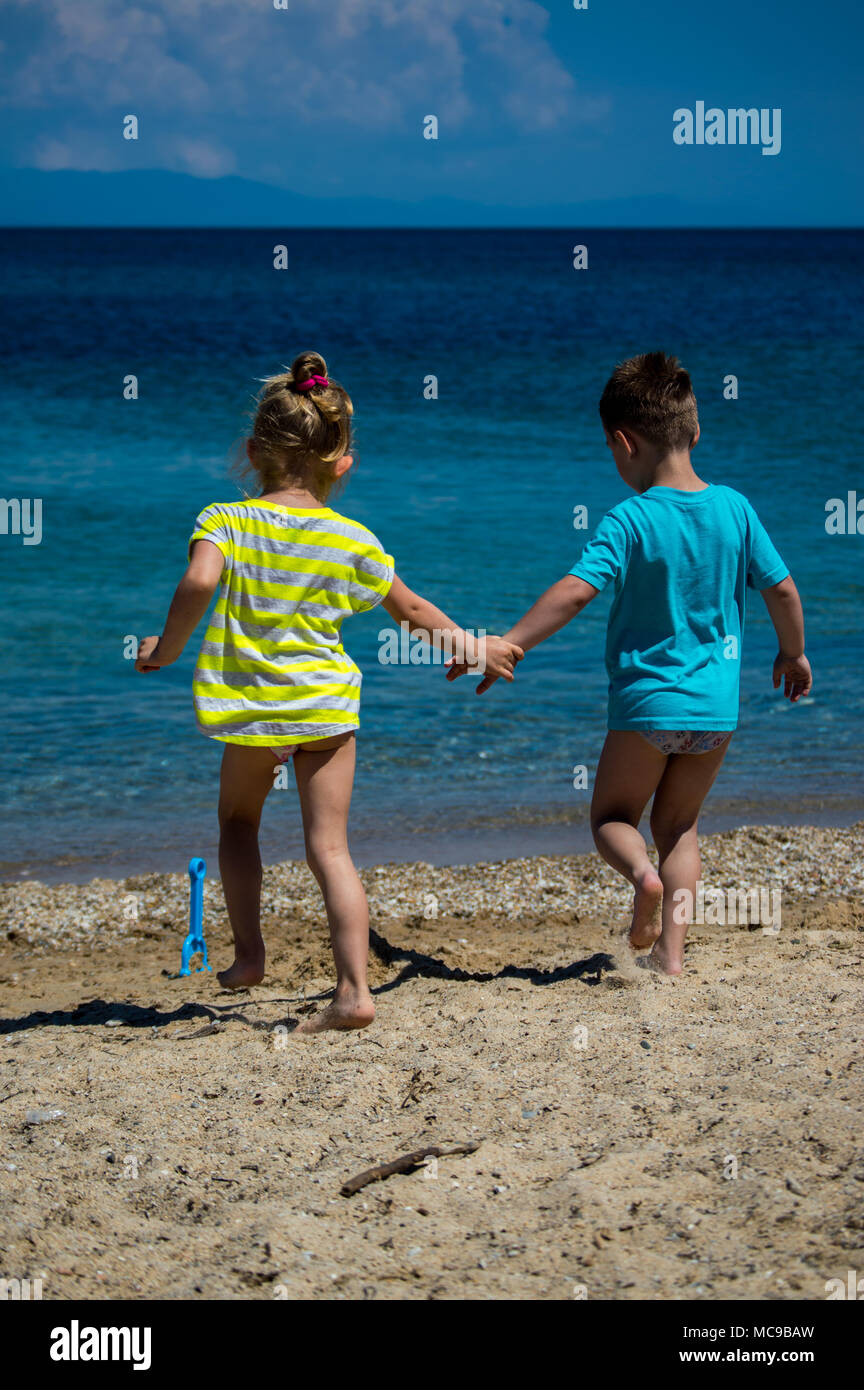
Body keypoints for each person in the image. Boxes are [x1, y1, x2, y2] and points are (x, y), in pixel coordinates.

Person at [136, 351, 522, 1029]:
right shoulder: (352, 539)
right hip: (325, 707)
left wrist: (164, 649)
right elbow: (411, 610)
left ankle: (249, 956)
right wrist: (474, 647)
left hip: (255, 713)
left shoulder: (226, 521)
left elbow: (198, 582)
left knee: (238, 824)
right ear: (342, 463)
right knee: (331, 849)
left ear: (252, 452)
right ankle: (353, 992)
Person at [448, 351, 811, 974]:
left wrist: (510, 643)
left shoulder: (631, 519)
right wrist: (793, 652)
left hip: (647, 707)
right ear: (695, 431)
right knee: (681, 828)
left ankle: (642, 876)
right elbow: (781, 589)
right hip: (716, 712)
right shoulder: (736, 509)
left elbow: (575, 592)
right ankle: (670, 954)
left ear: (624, 443)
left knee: (613, 817)